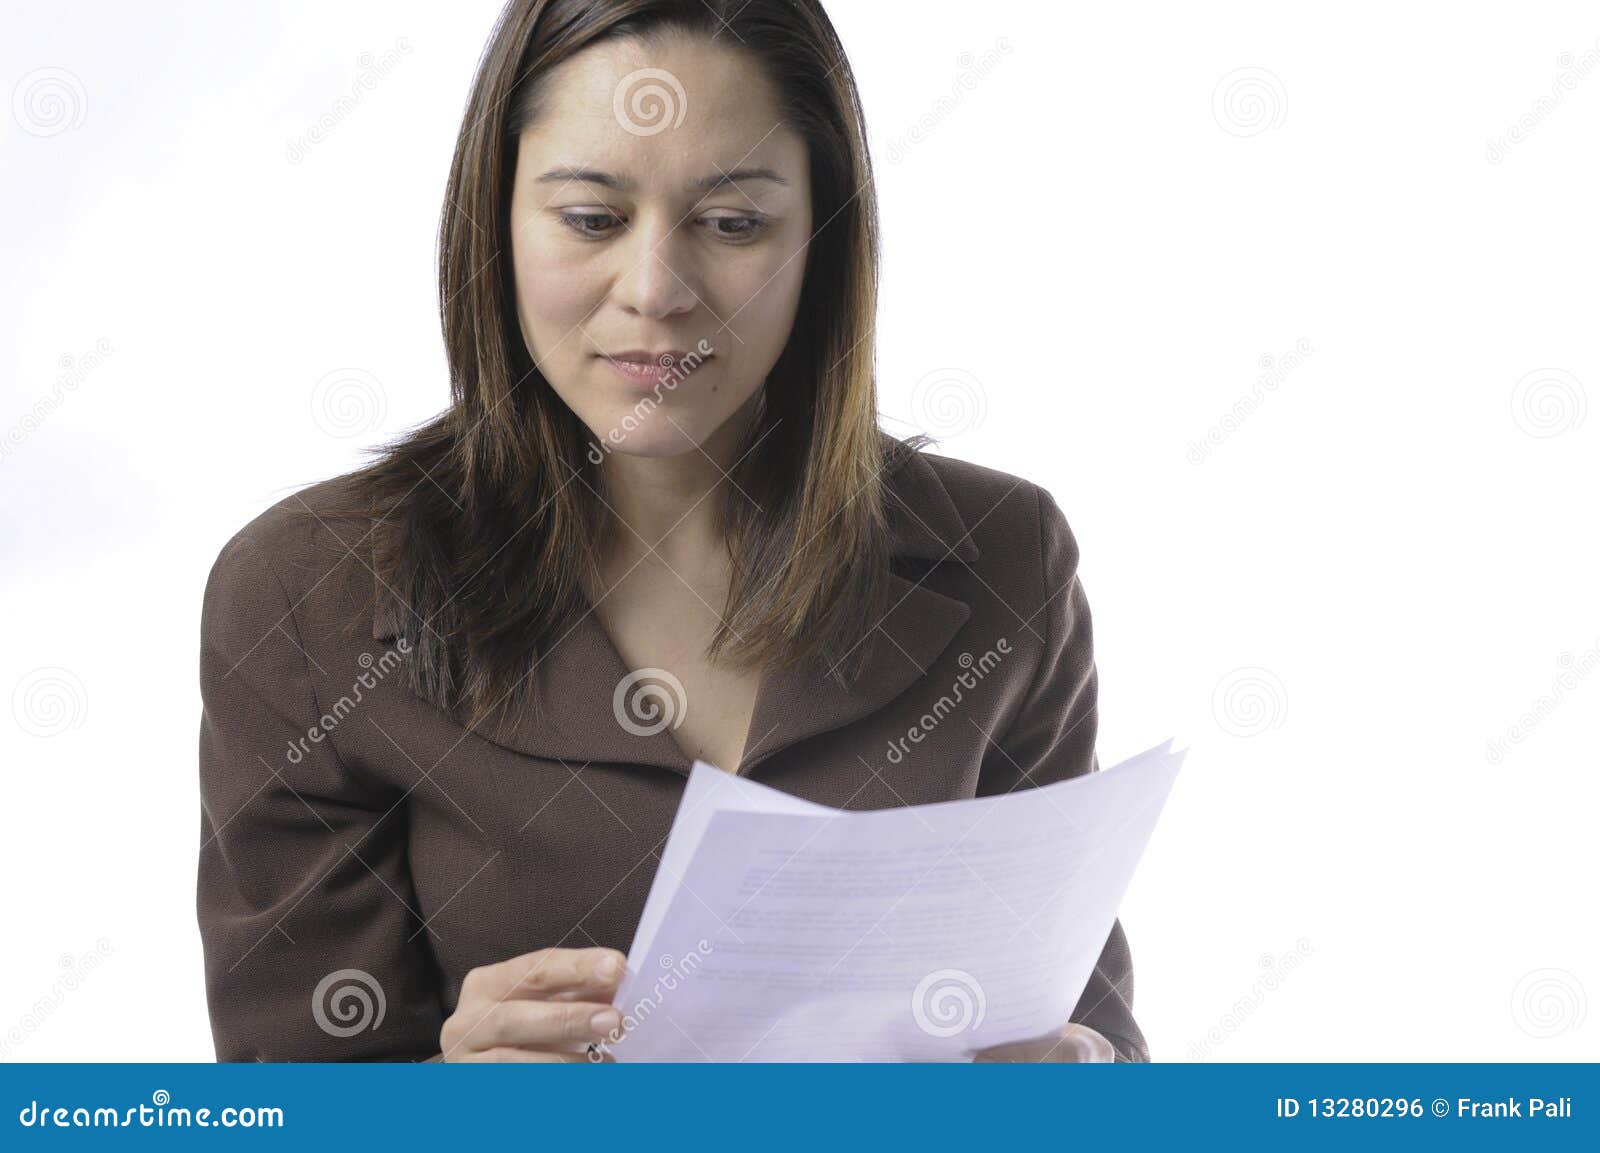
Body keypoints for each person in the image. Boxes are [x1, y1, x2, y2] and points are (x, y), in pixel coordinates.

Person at [196, 0, 1146, 1064]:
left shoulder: (1004, 555)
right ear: (496, 222)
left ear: (823, 240)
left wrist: (1082, 1084)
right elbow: (281, 1108)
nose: (655, 292)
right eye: (592, 220)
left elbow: (1091, 1032)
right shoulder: (303, 593)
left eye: (733, 223)